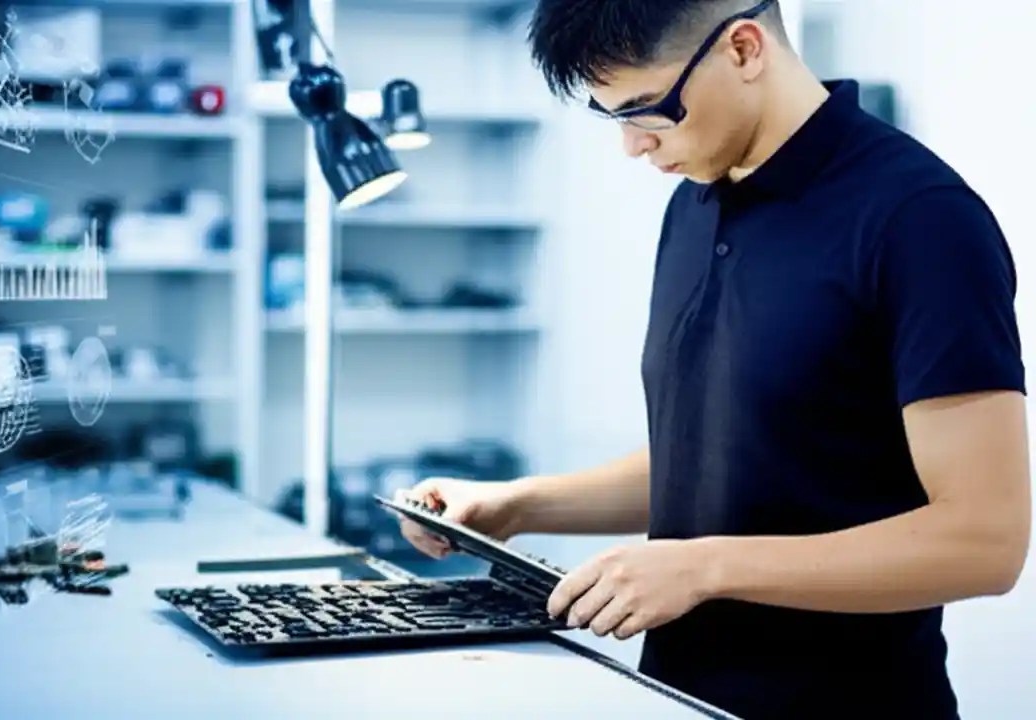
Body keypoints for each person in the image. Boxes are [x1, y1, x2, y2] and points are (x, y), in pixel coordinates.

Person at [395, 1, 1030, 718]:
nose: (634, 146)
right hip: (680, 695)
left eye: (648, 109)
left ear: (744, 49)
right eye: (615, 118)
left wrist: (704, 567)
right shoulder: (697, 201)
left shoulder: (921, 219)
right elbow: (728, 451)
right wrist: (521, 504)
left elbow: (984, 540)